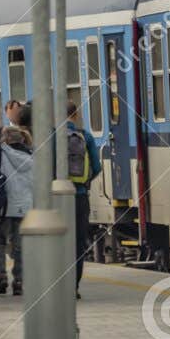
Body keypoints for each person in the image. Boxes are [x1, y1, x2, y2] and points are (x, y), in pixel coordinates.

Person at [0, 126, 33, 296]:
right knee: (20, 246)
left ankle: (2, 277)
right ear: (21, 139)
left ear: (5, 139)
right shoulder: (31, 156)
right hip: (24, 207)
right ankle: (18, 281)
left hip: (2, 206)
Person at [64, 101, 101, 299]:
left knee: (59, 243)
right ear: (75, 114)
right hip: (79, 197)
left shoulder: (51, 137)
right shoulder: (85, 137)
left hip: (58, 200)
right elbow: (97, 166)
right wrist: (84, 182)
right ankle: (74, 286)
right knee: (78, 243)